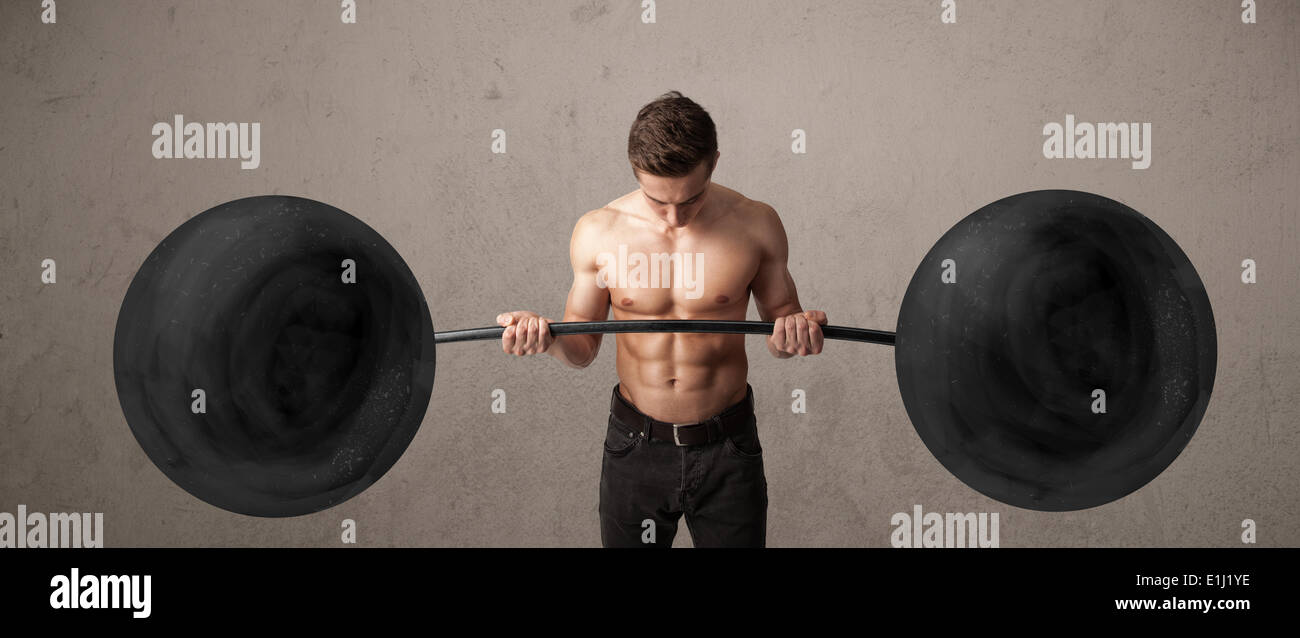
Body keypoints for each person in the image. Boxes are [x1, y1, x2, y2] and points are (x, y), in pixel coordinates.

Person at [496, 91, 826, 547]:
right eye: (657, 201)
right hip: (636, 447)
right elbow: (582, 349)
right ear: (635, 172)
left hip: (728, 446)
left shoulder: (756, 224)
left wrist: (796, 333)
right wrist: (545, 338)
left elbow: (779, 331)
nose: (674, 217)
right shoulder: (599, 231)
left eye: (690, 200)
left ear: (713, 163)